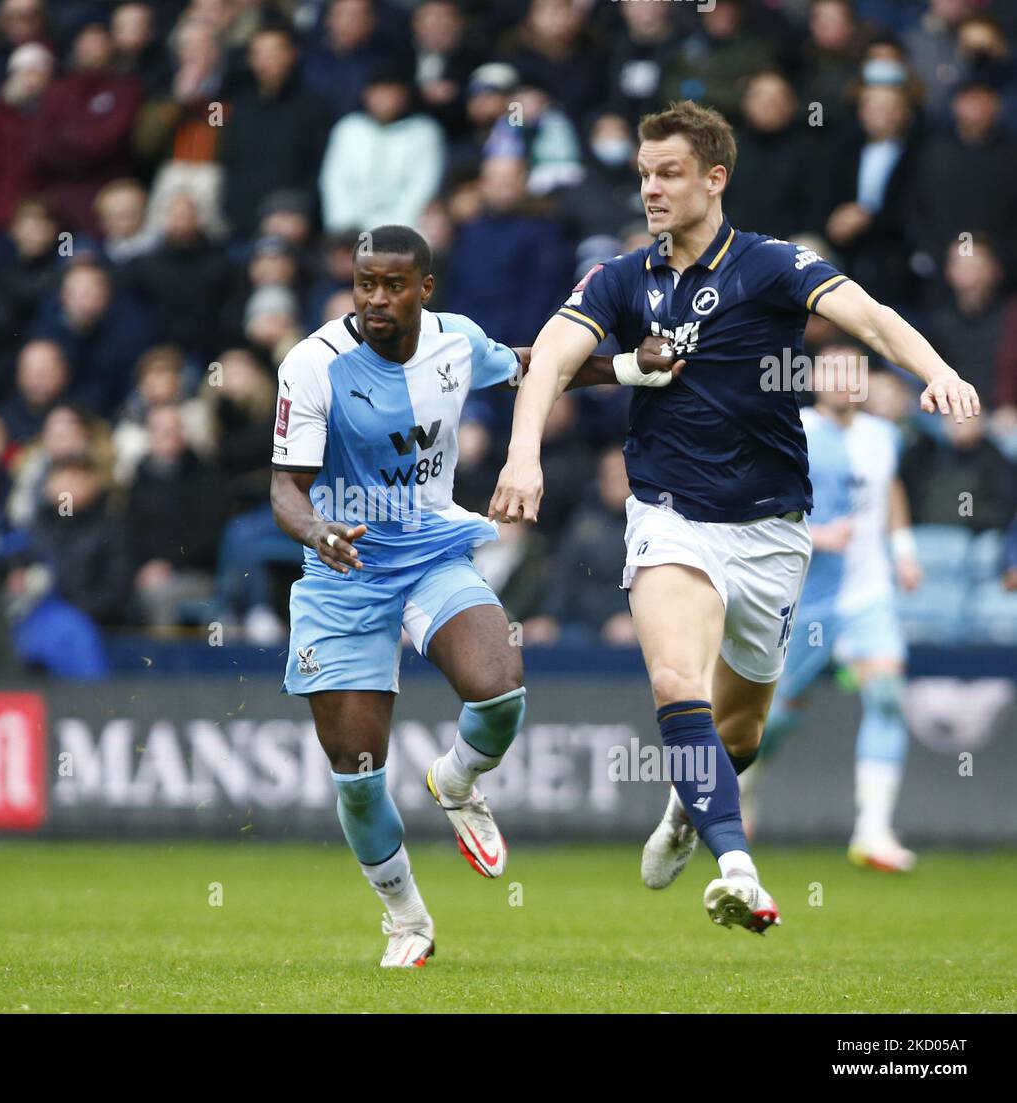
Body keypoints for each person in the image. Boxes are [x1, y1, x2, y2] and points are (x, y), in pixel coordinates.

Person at [489, 100, 980, 935]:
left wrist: (936, 369)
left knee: (741, 728)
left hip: (771, 530)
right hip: (670, 516)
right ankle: (738, 865)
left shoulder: (771, 265)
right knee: (677, 682)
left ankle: (690, 808)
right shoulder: (618, 277)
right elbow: (553, 358)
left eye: (670, 172)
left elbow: (870, 317)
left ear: (716, 178)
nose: (652, 189)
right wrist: (522, 453)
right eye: (645, 174)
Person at [269, 223, 674, 966]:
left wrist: (626, 365)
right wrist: (318, 529)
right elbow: (284, 488)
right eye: (366, 283)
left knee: (499, 685)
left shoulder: (455, 341)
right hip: (344, 573)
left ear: (426, 289)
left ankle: (455, 780)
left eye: (394, 285)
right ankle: (407, 918)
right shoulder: (313, 364)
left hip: (429, 551)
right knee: (358, 778)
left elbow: (532, 367)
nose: (377, 298)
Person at [739, 346, 923, 872]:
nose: (845, 384)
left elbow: (889, 489)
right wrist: (817, 536)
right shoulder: (793, 431)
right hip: (802, 599)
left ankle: (873, 830)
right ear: (815, 380)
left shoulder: (883, 435)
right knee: (772, 721)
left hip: (869, 594)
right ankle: (746, 789)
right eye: (835, 374)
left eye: (854, 375)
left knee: (887, 695)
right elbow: (758, 505)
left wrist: (904, 551)